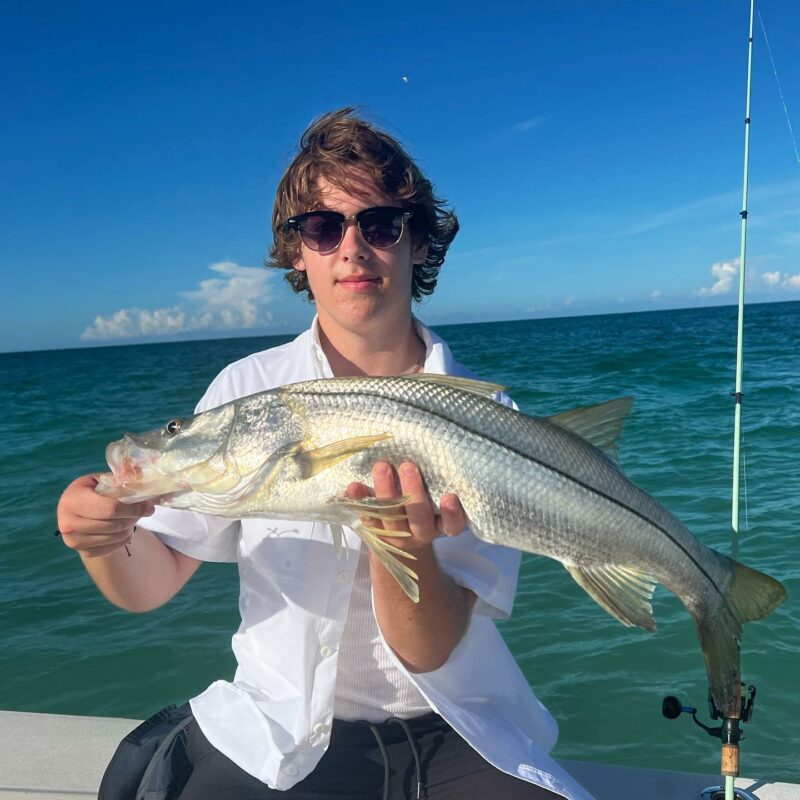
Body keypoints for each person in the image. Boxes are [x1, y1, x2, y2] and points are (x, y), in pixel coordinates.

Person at [57, 109, 594, 800]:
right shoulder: (246, 391)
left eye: (381, 224)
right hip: (276, 728)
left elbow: (428, 651)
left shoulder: (489, 421)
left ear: (418, 242)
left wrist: (402, 544)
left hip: (459, 727)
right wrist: (103, 538)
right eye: (322, 227)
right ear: (297, 253)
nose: (352, 248)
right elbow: (147, 586)